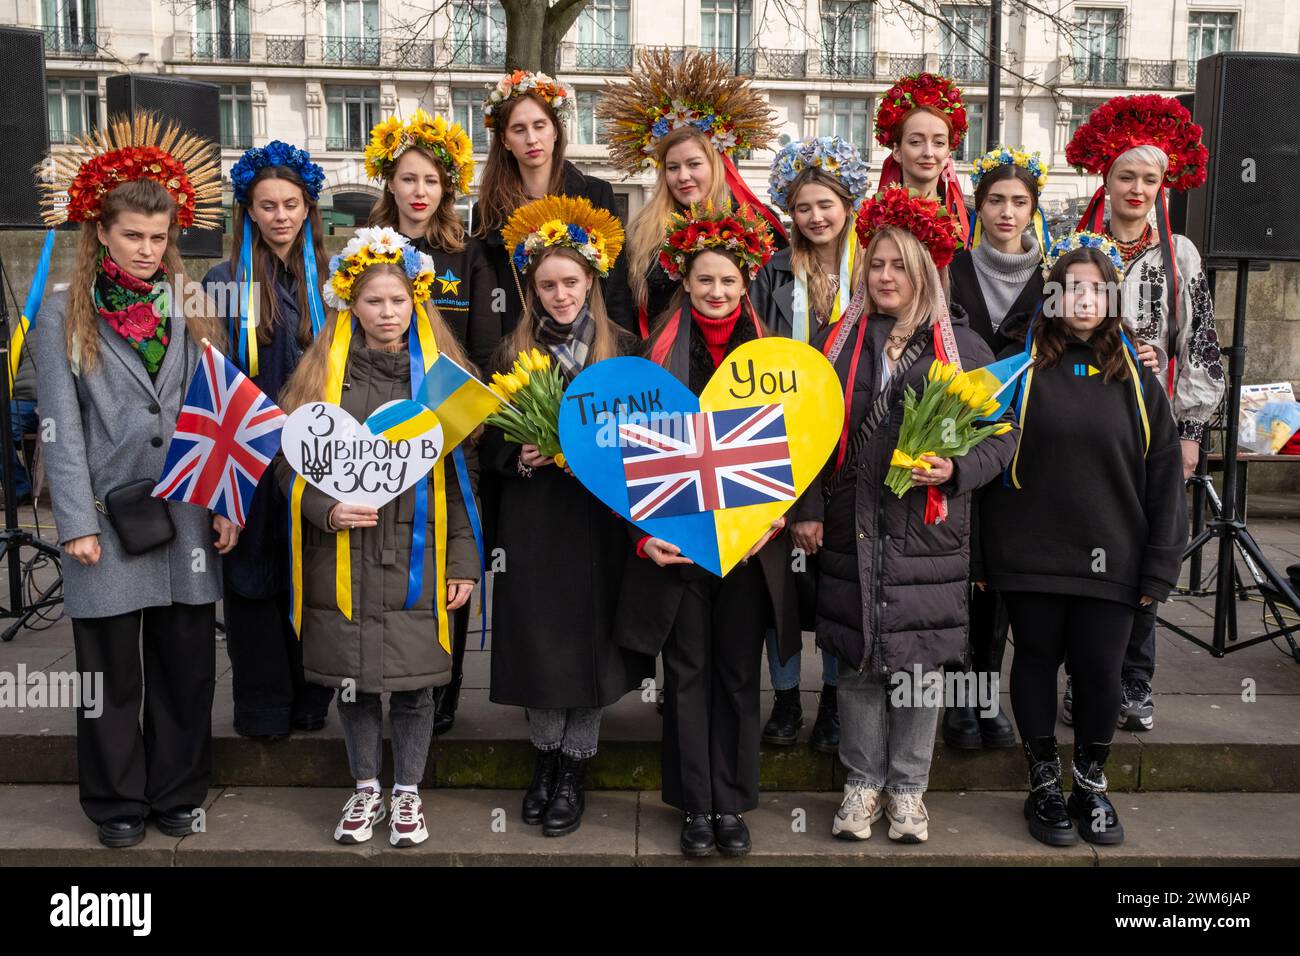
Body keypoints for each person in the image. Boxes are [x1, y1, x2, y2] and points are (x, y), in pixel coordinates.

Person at [32, 115, 237, 848]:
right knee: (110, 674)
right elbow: (57, 422)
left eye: (159, 239)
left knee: (186, 666)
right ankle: (115, 800)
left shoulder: (193, 306)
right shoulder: (62, 313)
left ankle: (178, 790)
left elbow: (220, 408)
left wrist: (228, 501)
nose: (149, 253)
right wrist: (74, 523)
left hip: (184, 512)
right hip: (105, 517)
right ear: (102, 233)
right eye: (134, 238)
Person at [794, 187, 1015, 844]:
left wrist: (956, 469)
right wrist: (808, 510)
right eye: (877, 265)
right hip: (849, 526)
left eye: (899, 266)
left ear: (925, 273)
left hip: (928, 533)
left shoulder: (964, 348)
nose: (885, 277)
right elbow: (803, 434)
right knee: (859, 663)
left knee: (918, 666)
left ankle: (910, 790)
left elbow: (1001, 435)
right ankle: (861, 785)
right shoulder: (837, 345)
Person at [975, 234, 1187, 846]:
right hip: (1030, 554)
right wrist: (985, 556)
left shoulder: (1140, 382)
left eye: (1097, 288)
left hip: (1113, 556)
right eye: (1073, 288)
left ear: (1112, 297)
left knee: (1100, 671)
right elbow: (988, 464)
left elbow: (1164, 476)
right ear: (1052, 297)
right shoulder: (1018, 370)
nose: (1085, 299)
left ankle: (1091, 783)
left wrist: (1159, 568)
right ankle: (1043, 782)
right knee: (1035, 662)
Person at [275, 228, 478, 847]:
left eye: (397, 301)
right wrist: (324, 510)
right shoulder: (318, 379)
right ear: (350, 305)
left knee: (415, 686)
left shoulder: (443, 382)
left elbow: (461, 480)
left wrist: (463, 561)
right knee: (354, 683)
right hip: (342, 560)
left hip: (417, 557)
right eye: (373, 302)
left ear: (415, 303)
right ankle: (365, 787)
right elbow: (287, 464)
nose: (386, 314)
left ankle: (408, 793)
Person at [615, 202, 799, 858]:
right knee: (687, 672)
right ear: (685, 286)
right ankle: (697, 804)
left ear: (745, 284)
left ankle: (733, 802)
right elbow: (625, 461)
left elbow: (801, 448)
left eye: (728, 281)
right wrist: (643, 536)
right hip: (681, 549)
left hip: (751, 548)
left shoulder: (778, 362)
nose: (717, 292)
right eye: (704, 281)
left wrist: (778, 516)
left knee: (736, 675)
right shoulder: (653, 359)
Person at [483, 195, 655, 837]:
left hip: (600, 524)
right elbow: (487, 442)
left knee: (589, 646)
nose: (560, 296)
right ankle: (545, 759)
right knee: (538, 643)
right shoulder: (509, 355)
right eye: (548, 285)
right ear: (531, 288)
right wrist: (519, 454)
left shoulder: (626, 353)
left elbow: (651, 439)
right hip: (534, 525)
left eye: (571, 283)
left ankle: (576, 766)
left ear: (591, 283)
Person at [1064, 94, 1222, 732]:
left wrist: (1188, 432)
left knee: (1147, 552)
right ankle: (1086, 680)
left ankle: (1135, 681)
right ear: (1105, 176)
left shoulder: (1179, 255)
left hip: (1153, 434)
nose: (1136, 188)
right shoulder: (1075, 246)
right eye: (1125, 175)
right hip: (1088, 431)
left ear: (1164, 184)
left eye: (1149, 179)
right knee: (1084, 555)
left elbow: (1202, 344)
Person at [364, 109, 499, 736]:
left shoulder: (467, 256)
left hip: (446, 428)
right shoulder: (364, 250)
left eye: (433, 181)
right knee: (384, 556)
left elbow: (483, 347)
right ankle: (382, 677)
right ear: (390, 183)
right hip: (376, 424)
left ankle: (444, 688)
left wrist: (458, 417)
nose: (420, 191)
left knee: (449, 557)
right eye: (409, 178)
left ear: (448, 190)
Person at [203, 141, 335, 742]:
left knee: (314, 578)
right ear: (248, 211)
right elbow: (211, 383)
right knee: (252, 579)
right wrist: (220, 494)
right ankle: (261, 707)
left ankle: (312, 699)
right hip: (249, 456)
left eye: (291, 204)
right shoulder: (223, 281)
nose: (280, 216)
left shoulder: (334, 279)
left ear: (307, 208)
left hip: (317, 457)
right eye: (267, 205)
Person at [748, 135, 872, 752]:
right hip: (785, 442)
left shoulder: (875, 268)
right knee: (782, 588)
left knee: (839, 589)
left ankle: (833, 703)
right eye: (803, 208)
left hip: (854, 447)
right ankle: (788, 697)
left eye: (826, 204)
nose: (816, 218)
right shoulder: (770, 272)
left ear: (847, 204)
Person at [942, 146, 1050, 750]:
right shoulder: (950, 268)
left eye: (1019, 202)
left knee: (1001, 573)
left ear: (1033, 209)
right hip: (959, 432)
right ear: (977, 206)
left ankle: (989, 694)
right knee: (961, 566)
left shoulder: (1053, 275)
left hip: (1025, 437)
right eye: (995, 201)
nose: (1006, 212)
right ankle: (958, 697)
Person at [601, 48, 788, 338]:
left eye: (694, 164)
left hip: (743, 366)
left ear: (716, 164)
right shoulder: (641, 230)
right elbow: (621, 306)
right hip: (663, 367)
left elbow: (778, 297)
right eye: (673, 167)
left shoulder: (758, 222)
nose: (683, 176)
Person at [473, 70, 632, 335]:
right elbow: (488, 293)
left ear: (555, 131)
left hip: (589, 347)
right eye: (518, 129)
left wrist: (624, 355)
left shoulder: (594, 195)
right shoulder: (489, 210)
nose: (531, 139)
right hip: (519, 348)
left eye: (539, 125)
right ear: (505, 141)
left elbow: (615, 288)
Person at [874, 72, 972, 246]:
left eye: (939, 142)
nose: (928, 152)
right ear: (896, 151)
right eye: (916, 142)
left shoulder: (969, 222)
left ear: (949, 151)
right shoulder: (875, 218)